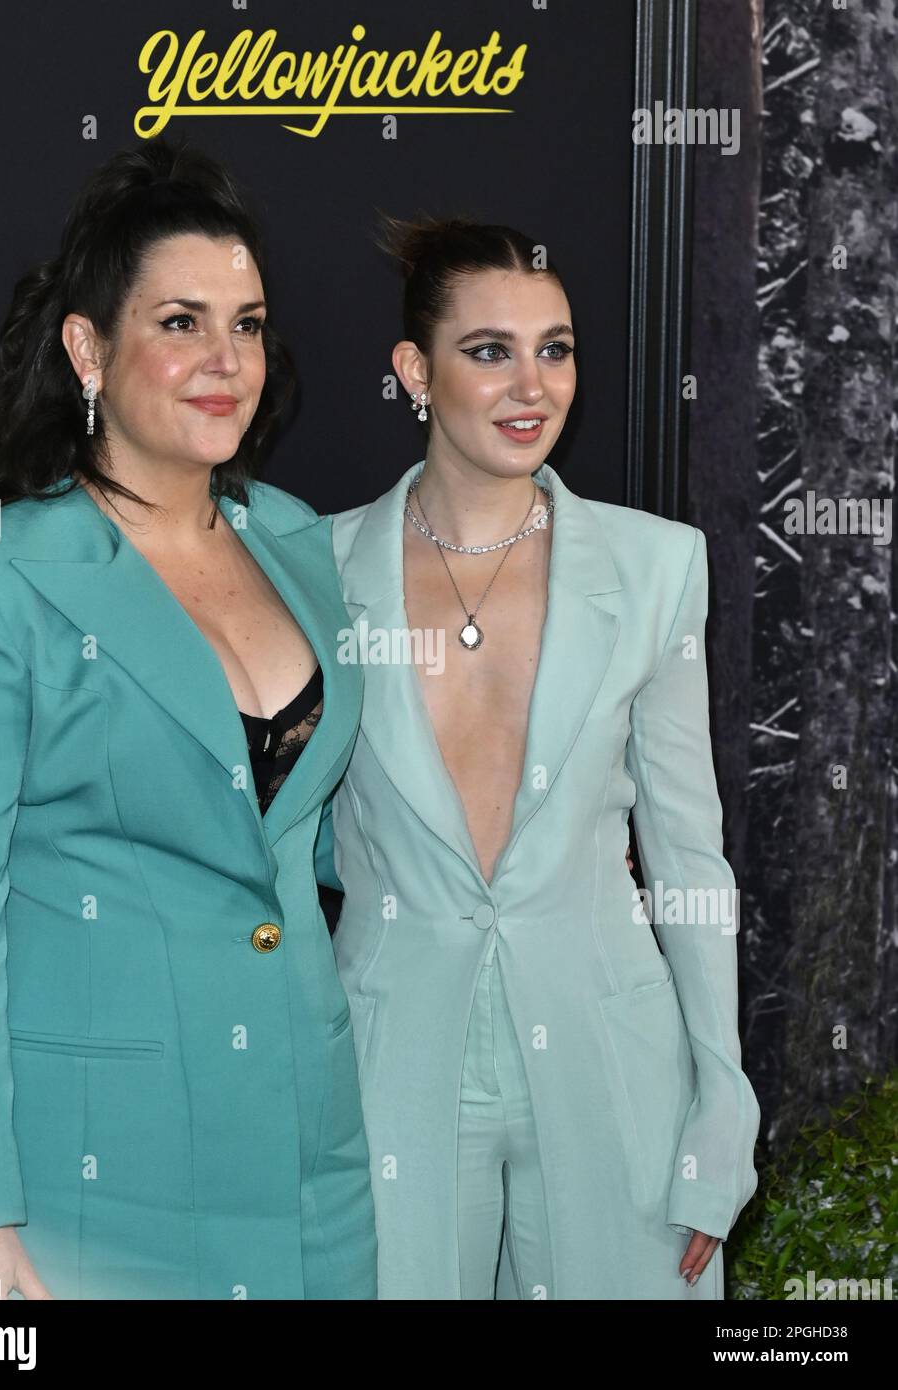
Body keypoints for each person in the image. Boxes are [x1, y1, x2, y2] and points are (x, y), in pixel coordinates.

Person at [0, 136, 377, 1300]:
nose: (224, 361)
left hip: (310, 1159)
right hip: (94, 1181)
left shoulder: (298, 542)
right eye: (179, 323)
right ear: (87, 348)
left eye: (246, 325)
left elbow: (311, 841)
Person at [315, 215, 761, 1299]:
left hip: (614, 1062)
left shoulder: (655, 567)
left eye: (553, 349)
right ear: (414, 371)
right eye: (489, 351)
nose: (531, 386)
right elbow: (288, 832)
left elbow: (687, 856)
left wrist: (721, 1098)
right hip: (389, 1064)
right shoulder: (311, 568)